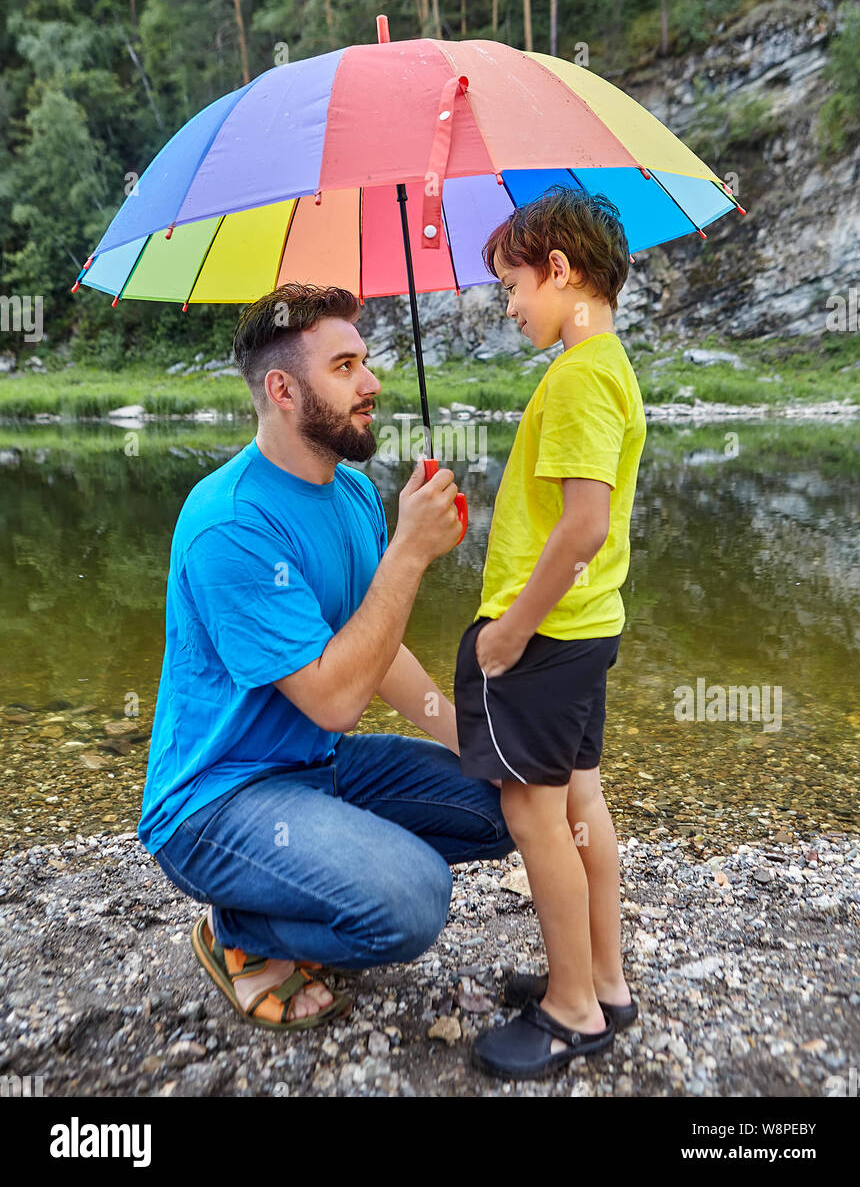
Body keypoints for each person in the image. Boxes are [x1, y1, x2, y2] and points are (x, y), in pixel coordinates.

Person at [138, 284, 513, 1031]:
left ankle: (312, 874)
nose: (372, 384)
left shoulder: (351, 493)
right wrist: (408, 554)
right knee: (413, 902)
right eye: (345, 367)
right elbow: (337, 699)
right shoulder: (230, 524)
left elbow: (376, 649)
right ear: (282, 389)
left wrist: (473, 738)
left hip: (319, 771)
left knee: (510, 803)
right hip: (219, 801)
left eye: (365, 362)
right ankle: (238, 932)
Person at [453, 183, 646, 1079]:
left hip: (548, 637)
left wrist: (506, 634)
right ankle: (602, 983)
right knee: (579, 807)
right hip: (589, 627)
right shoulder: (608, 366)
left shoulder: (575, 379)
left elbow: (582, 527)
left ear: (560, 272)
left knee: (534, 815)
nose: (510, 305)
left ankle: (571, 1011)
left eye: (512, 287)